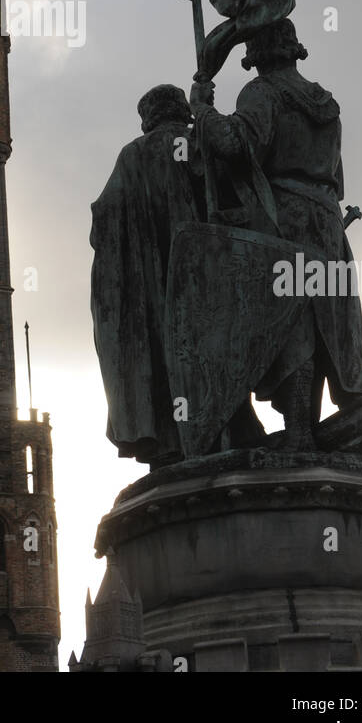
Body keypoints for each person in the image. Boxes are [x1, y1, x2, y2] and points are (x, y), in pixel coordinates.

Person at [189, 18, 362, 450]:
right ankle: (326, 422)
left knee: (290, 322)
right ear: (294, 49)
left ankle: (299, 432)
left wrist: (203, 111)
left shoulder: (262, 93)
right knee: (329, 320)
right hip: (327, 219)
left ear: (255, 54)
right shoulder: (326, 103)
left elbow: (236, 144)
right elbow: (337, 175)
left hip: (283, 219)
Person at [90, 84, 201, 462]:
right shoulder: (199, 144)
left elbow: (103, 223)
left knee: (160, 361)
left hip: (150, 291)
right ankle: (216, 432)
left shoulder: (133, 156)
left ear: (148, 117)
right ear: (182, 109)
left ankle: (168, 441)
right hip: (202, 281)